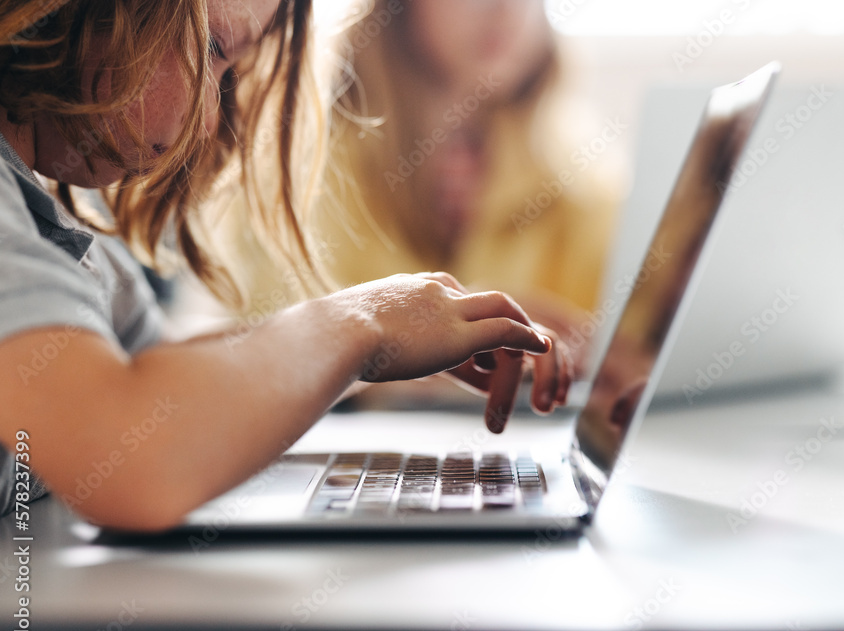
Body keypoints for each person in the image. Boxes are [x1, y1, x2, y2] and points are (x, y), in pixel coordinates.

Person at [0, 0, 571, 531]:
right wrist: (360, 325)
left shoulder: (53, 230)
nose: (205, 125)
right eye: (216, 49)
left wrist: (388, 340)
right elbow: (133, 459)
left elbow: (161, 378)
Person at [219, 0, 620, 363]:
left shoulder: (585, 184)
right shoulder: (295, 166)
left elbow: (623, 334)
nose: (508, 10)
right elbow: (271, 348)